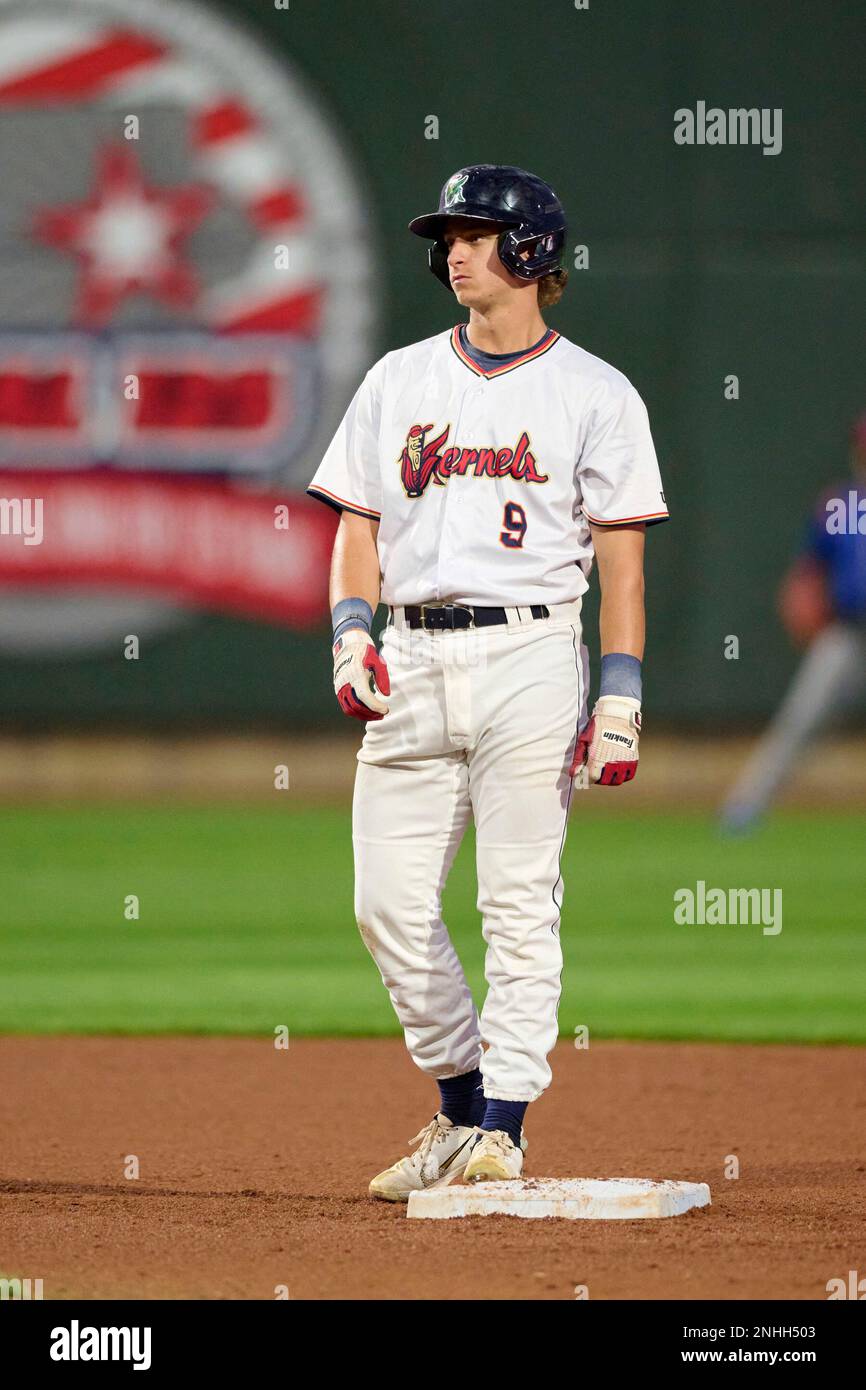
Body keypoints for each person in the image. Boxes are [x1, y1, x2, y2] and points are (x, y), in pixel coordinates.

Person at [306, 164, 669, 1201]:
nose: (454, 250)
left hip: (529, 657)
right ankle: (460, 1106)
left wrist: (618, 697)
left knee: (517, 905)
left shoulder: (594, 392)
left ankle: (501, 1128)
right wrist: (349, 634)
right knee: (385, 906)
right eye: (448, 235)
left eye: (476, 232)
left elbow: (622, 568)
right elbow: (357, 527)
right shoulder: (398, 378)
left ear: (532, 252)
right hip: (409, 658)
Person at [720, 412, 866, 832]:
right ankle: (743, 811)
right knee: (799, 721)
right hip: (847, 633)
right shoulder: (840, 504)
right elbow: (808, 570)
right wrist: (801, 603)